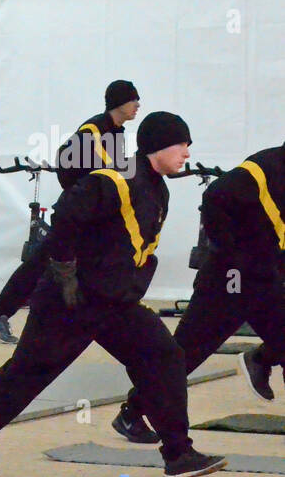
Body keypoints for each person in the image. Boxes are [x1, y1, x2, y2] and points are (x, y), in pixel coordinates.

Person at [0, 111, 226, 477]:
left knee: (165, 356)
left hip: (114, 304)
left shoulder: (156, 185)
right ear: (158, 145)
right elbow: (65, 215)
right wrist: (64, 270)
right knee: (24, 376)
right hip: (70, 301)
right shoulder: (116, 178)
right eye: (181, 145)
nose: (187, 154)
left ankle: (178, 453)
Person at [112, 138, 285, 439]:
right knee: (184, 354)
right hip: (227, 279)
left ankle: (260, 359)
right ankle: (132, 411)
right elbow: (215, 196)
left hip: (263, 276)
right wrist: (231, 257)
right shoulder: (262, 169)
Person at [0, 80, 141, 345]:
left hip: (90, 212)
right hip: (77, 212)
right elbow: (80, 166)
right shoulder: (93, 130)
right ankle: (0, 313)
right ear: (119, 102)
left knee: (55, 263)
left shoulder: (116, 132)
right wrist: (79, 196)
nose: (138, 105)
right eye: (133, 100)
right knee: (41, 261)